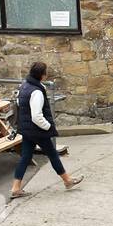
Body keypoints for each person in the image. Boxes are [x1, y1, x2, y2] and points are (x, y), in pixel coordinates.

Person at [10, 62, 83, 199]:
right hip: (37, 130)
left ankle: (15, 188)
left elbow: (20, 104)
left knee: (25, 157)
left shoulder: (25, 85)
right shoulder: (36, 91)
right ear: (42, 75)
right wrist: (48, 127)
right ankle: (67, 181)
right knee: (52, 154)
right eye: (45, 72)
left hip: (27, 129)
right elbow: (36, 116)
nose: (47, 74)